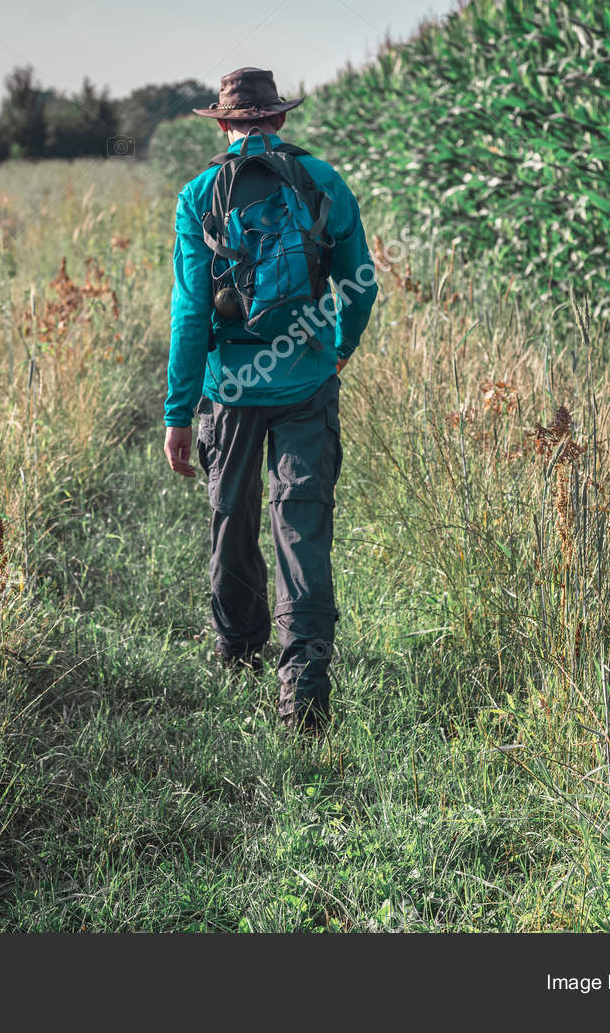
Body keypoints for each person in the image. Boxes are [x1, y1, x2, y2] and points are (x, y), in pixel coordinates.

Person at [161, 66, 377, 734]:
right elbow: (360, 283)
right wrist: (338, 346)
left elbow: (192, 314)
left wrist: (176, 412)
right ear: (280, 120)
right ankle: (305, 689)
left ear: (224, 126)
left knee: (232, 516)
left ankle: (237, 649)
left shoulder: (200, 195)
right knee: (301, 524)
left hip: (228, 390)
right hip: (307, 382)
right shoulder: (323, 182)